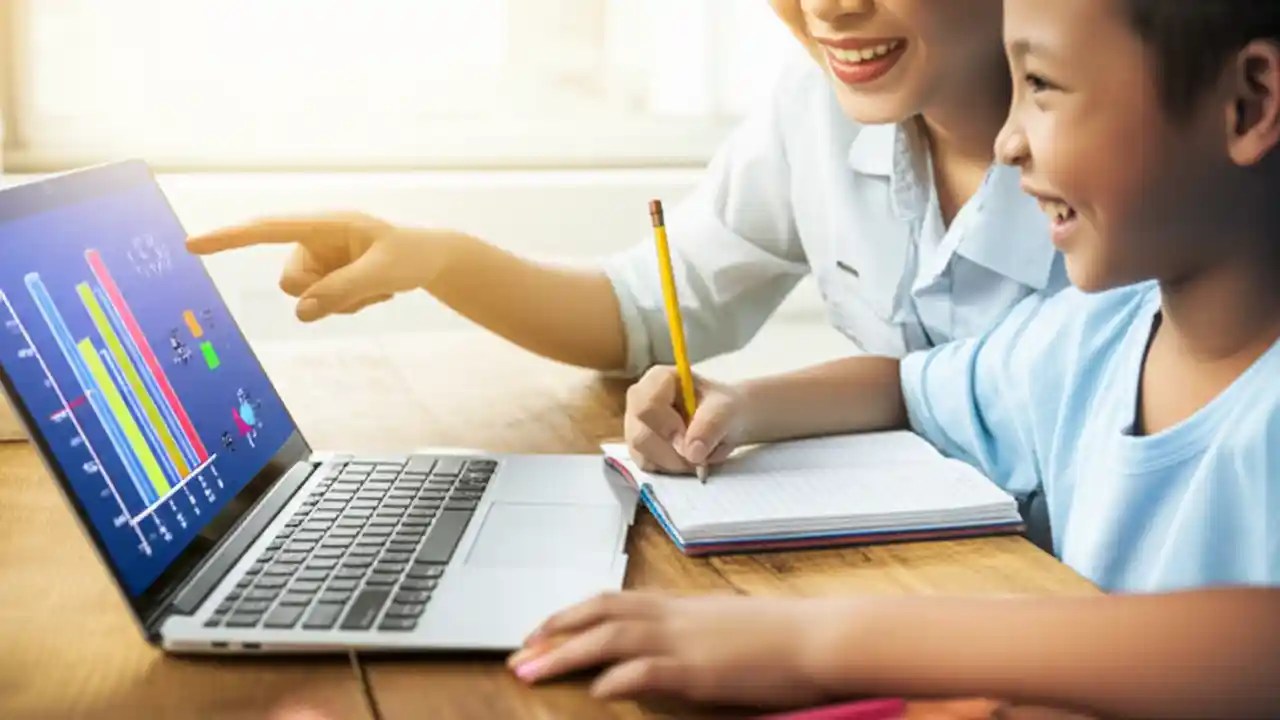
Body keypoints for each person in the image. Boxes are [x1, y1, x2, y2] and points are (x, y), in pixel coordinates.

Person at [506, 1, 1280, 717]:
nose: (1007, 143)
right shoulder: (1092, 334)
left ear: (1248, 104)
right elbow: (906, 388)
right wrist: (743, 405)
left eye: (1042, 86)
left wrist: (810, 644)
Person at [187, 1, 1062, 380]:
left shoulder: (1118, 180)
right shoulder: (815, 110)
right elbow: (651, 311)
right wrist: (438, 261)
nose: (827, 6)